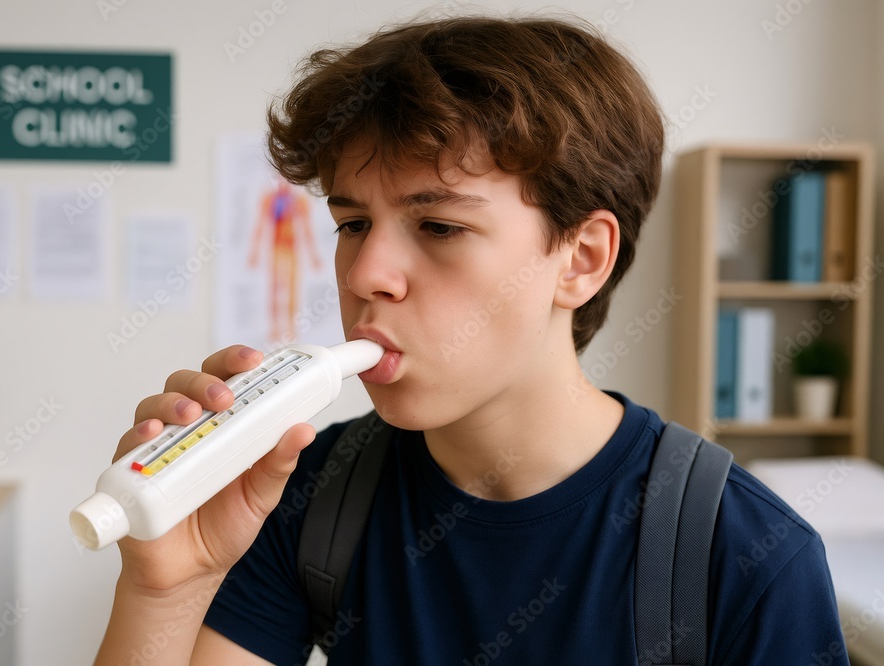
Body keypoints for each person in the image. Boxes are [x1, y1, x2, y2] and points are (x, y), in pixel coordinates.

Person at [95, 15, 848, 665]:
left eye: (440, 226)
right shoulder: (305, 498)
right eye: (353, 223)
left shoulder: (749, 555)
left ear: (580, 259)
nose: (367, 274)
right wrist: (165, 586)